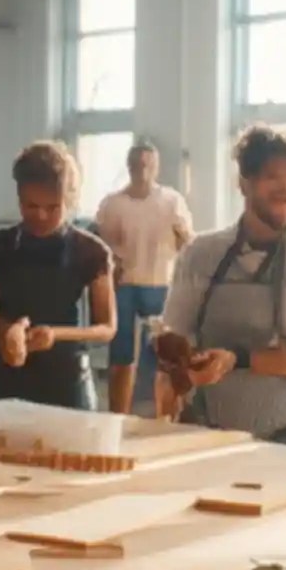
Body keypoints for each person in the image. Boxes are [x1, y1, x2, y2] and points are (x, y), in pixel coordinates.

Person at [155, 125, 286, 447]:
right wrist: (181, 373)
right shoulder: (201, 254)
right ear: (244, 183)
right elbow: (174, 337)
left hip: (285, 443)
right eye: (273, 176)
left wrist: (237, 359)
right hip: (202, 439)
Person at [0, 141, 116, 411]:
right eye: (31, 206)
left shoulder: (91, 251)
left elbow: (106, 327)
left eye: (53, 207)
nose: (40, 215)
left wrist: (55, 334)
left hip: (66, 376)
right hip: (4, 372)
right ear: (18, 198)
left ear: (69, 201)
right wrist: (6, 332)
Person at [95, 141, 193, 414]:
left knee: (167, 355)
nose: (143, 170)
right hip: (126, 285)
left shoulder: (171, 201)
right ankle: (118, 415)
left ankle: (166, 415)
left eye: (148, 164)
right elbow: (104, 247)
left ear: (157, 166)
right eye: (138, 165)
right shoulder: (113, 204)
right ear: (129, 167)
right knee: (121, 357)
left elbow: (187, 243)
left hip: (161, 283)